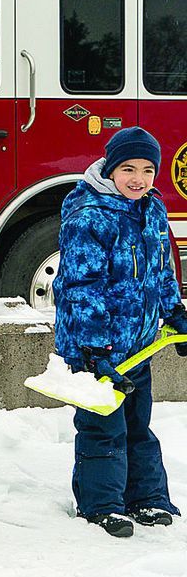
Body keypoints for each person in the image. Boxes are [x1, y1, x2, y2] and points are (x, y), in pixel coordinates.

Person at [53, 126, 187, 538]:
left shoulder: (152, 209)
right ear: (110, 169)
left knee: (138, 424)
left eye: (147, 170)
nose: (138, 179)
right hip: (98, 351)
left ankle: (146, 498)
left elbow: (160, 271)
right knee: (102, 427)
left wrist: (174, 312)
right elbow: (81, 286)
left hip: (138, 345)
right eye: (128, 168)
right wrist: (94, 347)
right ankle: (102, 504)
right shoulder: (89, 217)